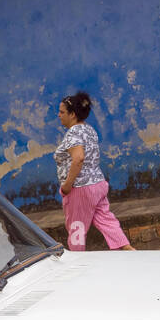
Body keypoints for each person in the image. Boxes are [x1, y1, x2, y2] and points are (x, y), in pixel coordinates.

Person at [54, 91, 133, 251]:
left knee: (76, 227)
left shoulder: (73, 133)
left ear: (73, 114)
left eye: (62, 112)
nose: (59, 115)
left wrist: (67, 186)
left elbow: (79, 158)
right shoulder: (89, 130)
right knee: (106, 219)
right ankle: (126, 248)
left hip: (80, 188)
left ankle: (77, 262)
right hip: (97, 184)